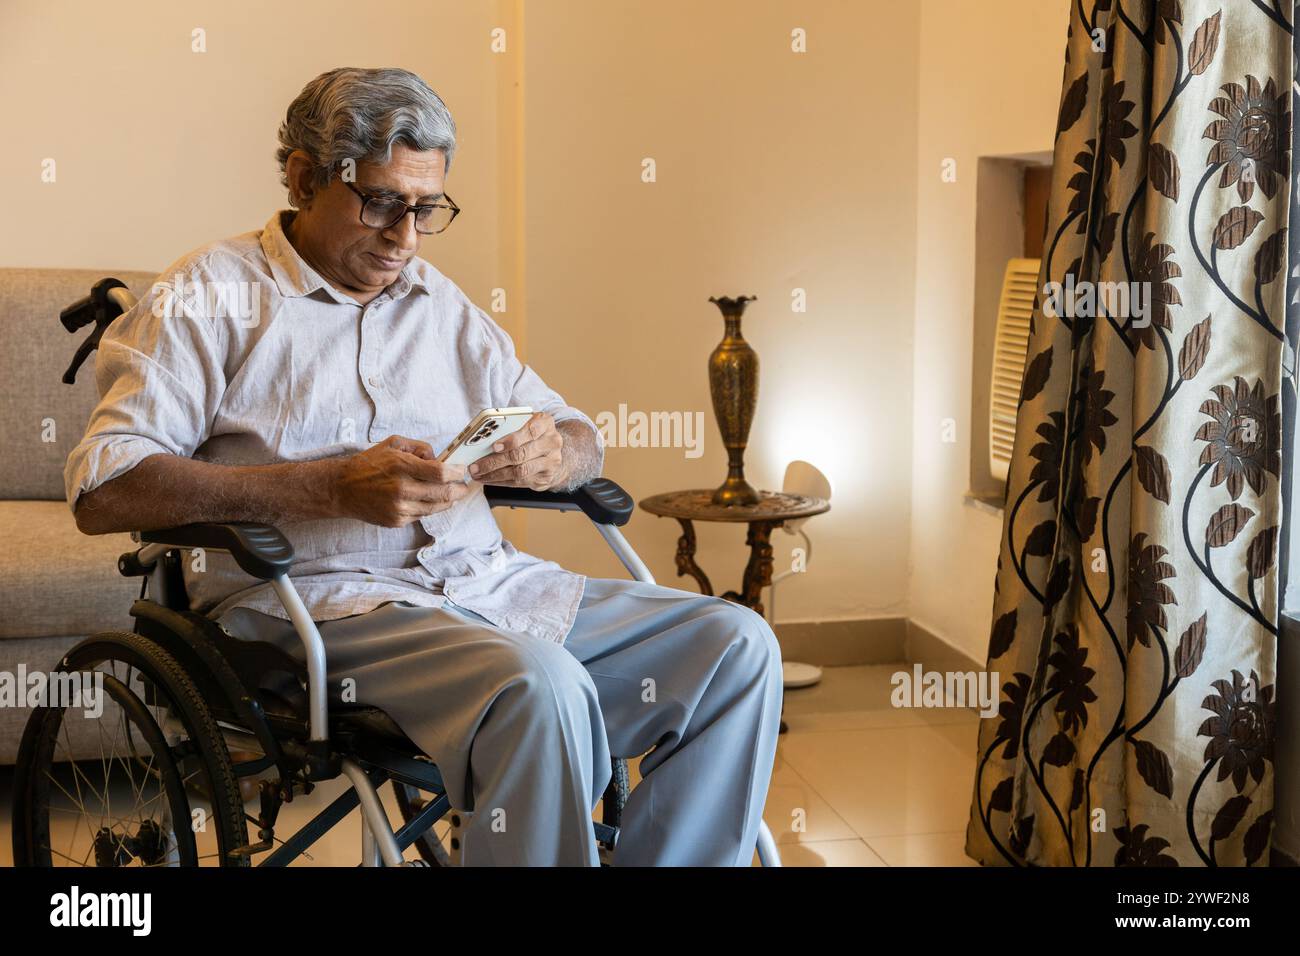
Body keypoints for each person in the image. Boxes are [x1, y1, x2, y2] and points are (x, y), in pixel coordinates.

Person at [65, 66, 782, 866]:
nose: (406, 237)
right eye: (381, 202)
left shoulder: (441, 305)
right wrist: (327, 485)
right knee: (539, 686)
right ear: (305, 178)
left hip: (490, 587)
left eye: (426, 208)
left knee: (737, 645)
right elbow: (105, 484)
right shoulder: (208, 296)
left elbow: (577, 432)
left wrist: (555, 452)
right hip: (320, 610)